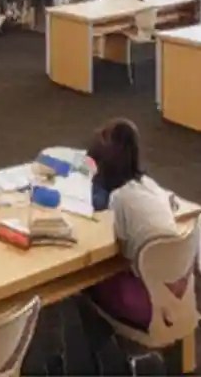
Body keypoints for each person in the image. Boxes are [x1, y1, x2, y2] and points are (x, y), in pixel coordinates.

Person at [82, 118, 181, 333]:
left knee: (86, 283)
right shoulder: (151, 185)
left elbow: (119, 252)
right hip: (178, 294)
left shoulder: (119, 199)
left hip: (149, 302)